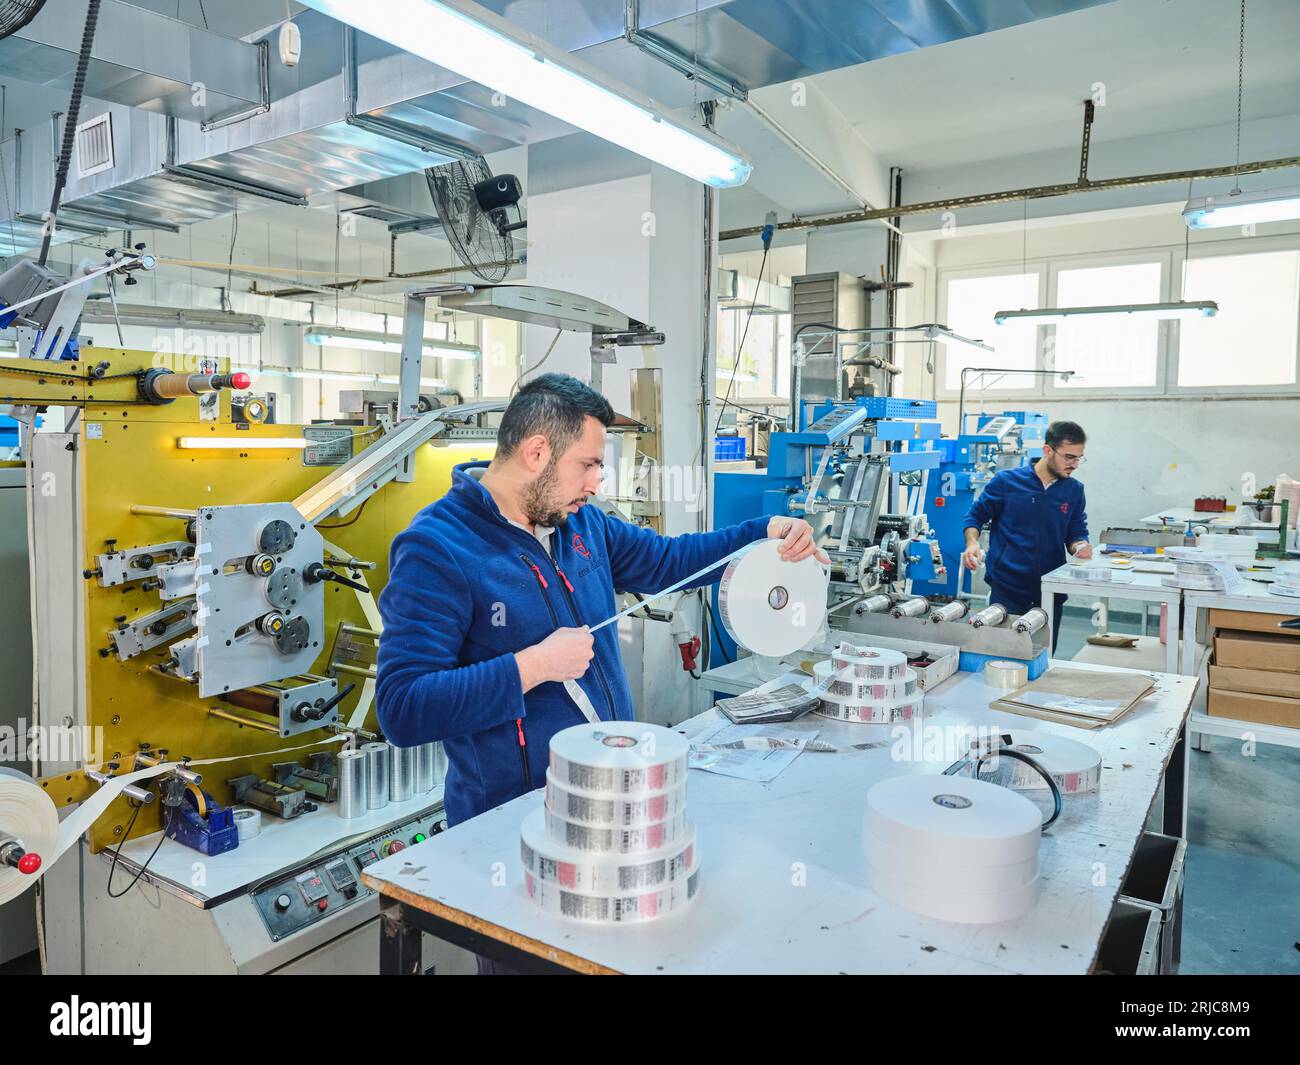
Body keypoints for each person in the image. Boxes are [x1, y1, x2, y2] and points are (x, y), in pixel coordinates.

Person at [377, 372, 826, 829]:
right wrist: (534, 666)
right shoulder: (438, 548)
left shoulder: (582, 525)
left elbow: (671, 561)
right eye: (587, 465)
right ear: (536, 453)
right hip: (510, 820)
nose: (595, 485)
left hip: (605, 796)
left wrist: (764, 535)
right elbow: (403, 708)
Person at [961, 420, 1090, 651]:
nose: (1074, 464)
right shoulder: (1007, 483)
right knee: (1001, 655)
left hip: (1050, 591)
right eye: (1069, 457)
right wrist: (972, 544)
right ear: (1048, 451)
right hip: (1008, 588)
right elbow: (975, 517)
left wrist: (1079, 545)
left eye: (1079, 458)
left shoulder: (1074, 490)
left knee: (1042, 656)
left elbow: (1076, 531)